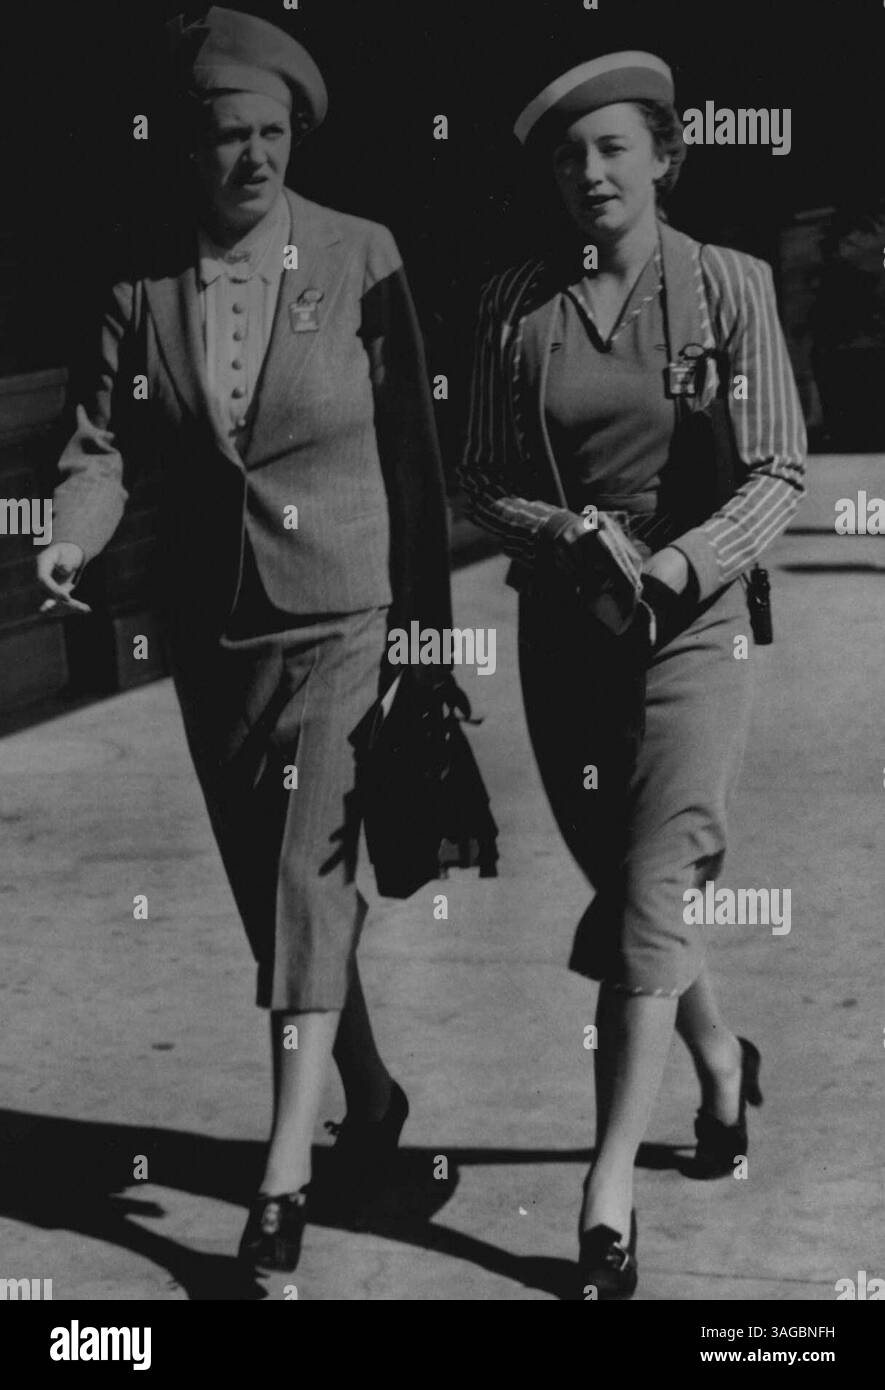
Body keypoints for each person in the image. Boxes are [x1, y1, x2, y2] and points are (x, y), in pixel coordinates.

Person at [37, 6, 451, 1275]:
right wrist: (68, 534)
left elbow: (413, 461)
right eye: (229, 137)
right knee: (272, 899)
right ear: (190, 146)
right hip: (214, 635)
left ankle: (282, 1182)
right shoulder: (139, 285)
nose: (254, 158)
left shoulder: (361, 252)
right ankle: (372, 1099)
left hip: (343, 610)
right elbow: (100, 448)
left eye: (273, 134)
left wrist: (425, 641)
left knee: (304, 883)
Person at [459, 50, 806, 1298]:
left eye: (614, 147)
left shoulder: (728, 287)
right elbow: (476, 478)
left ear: (665, 155)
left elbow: (778, 472)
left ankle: (604, 1199)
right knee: (633, 884)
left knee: (656, 885)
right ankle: (720, 1066)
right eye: (570, 155)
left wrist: (679, 567)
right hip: (566, 639)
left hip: (696, 631)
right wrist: (558, 532)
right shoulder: (513, 306)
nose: (591, 172)